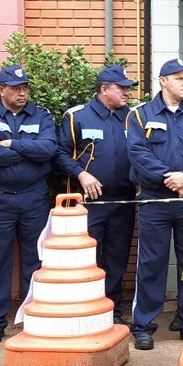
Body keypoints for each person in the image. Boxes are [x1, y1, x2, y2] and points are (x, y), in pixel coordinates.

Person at [126, 59, 183, 351]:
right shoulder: (140, 115)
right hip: (156, 200)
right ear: (162, 81)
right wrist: (171, 179)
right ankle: (143, 326)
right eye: (178, 78)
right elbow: (138, 152)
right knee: (151, 264)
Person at [0, 64, 56, 345]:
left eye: (25, 88)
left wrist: (11, 144)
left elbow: (49, 150)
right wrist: (25, 152)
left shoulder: (41, 115)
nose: (22, 93)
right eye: (16, 88)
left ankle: (32, 318)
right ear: (1, 90)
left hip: (34, 197)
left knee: (36, 260)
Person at [55, 64, 138, 326]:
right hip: (89, 202)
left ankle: (112, 310)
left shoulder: (134, 117)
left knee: (117, 257)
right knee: (86, 256)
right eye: (122, 88)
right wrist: (81, 174)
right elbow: (59, 153)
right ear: (104, 89)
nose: (127, 93)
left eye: (128, 88)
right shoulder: (77, 116)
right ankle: (85, 307)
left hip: (124, 200)